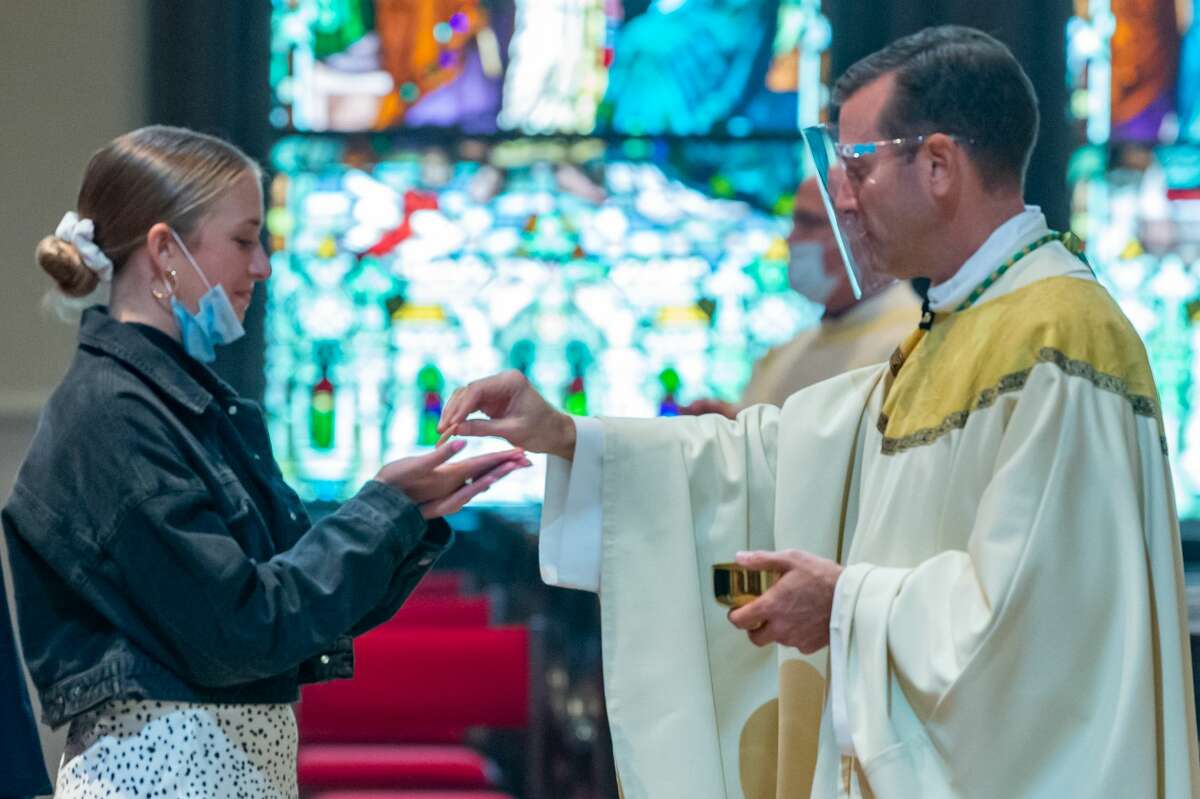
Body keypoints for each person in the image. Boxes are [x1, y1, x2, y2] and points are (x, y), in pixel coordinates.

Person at [438, 26, 1200, 798]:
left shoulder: (1057, 337)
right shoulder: (959, 323)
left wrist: (843, 603)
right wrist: (569, 435)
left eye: (857, 166)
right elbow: (784, 455)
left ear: (938, 165)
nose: (840, 196)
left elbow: (1038, 635)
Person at [1, 125, 529, 798]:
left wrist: (408, 513)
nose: (264, 267)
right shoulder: (113, 413)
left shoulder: (192, 403)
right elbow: (241, 630)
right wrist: (382, 507)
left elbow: (301, 611)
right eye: (245, 240)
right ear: (165, 250)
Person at [681, 177, 920, 418]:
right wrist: (729, 426)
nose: (790, 239)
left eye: (809, 223)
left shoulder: (913, 344)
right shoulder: (785, 352)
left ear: (864, 234)